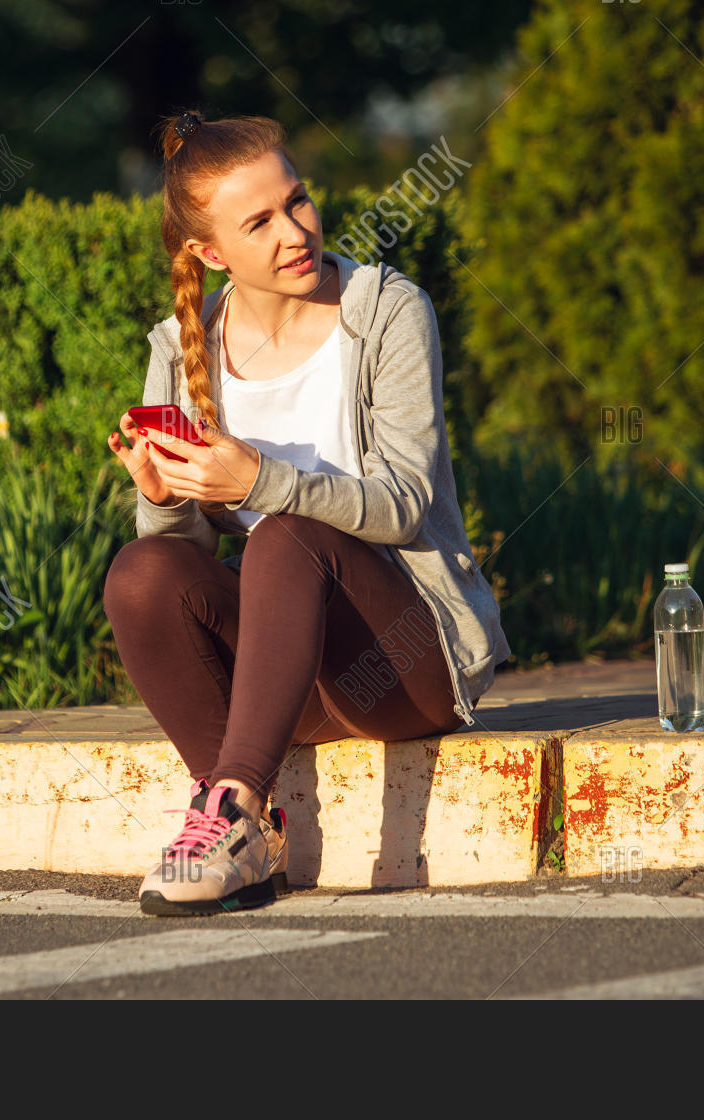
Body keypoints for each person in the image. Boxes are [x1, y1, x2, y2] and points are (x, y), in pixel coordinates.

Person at [103, 109, 511, 917]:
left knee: (287, 535)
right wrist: (162, 497)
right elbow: (181, 552)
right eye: (259, 221)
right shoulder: (181, 350)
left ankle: (232, 809)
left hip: (403, 662)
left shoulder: (385, 310)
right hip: (289, 678)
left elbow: (403, 506)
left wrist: (259, 479)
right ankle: (248, 823)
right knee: (142, 571)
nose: (295, 231)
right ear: (211, 253)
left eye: (297, 200)